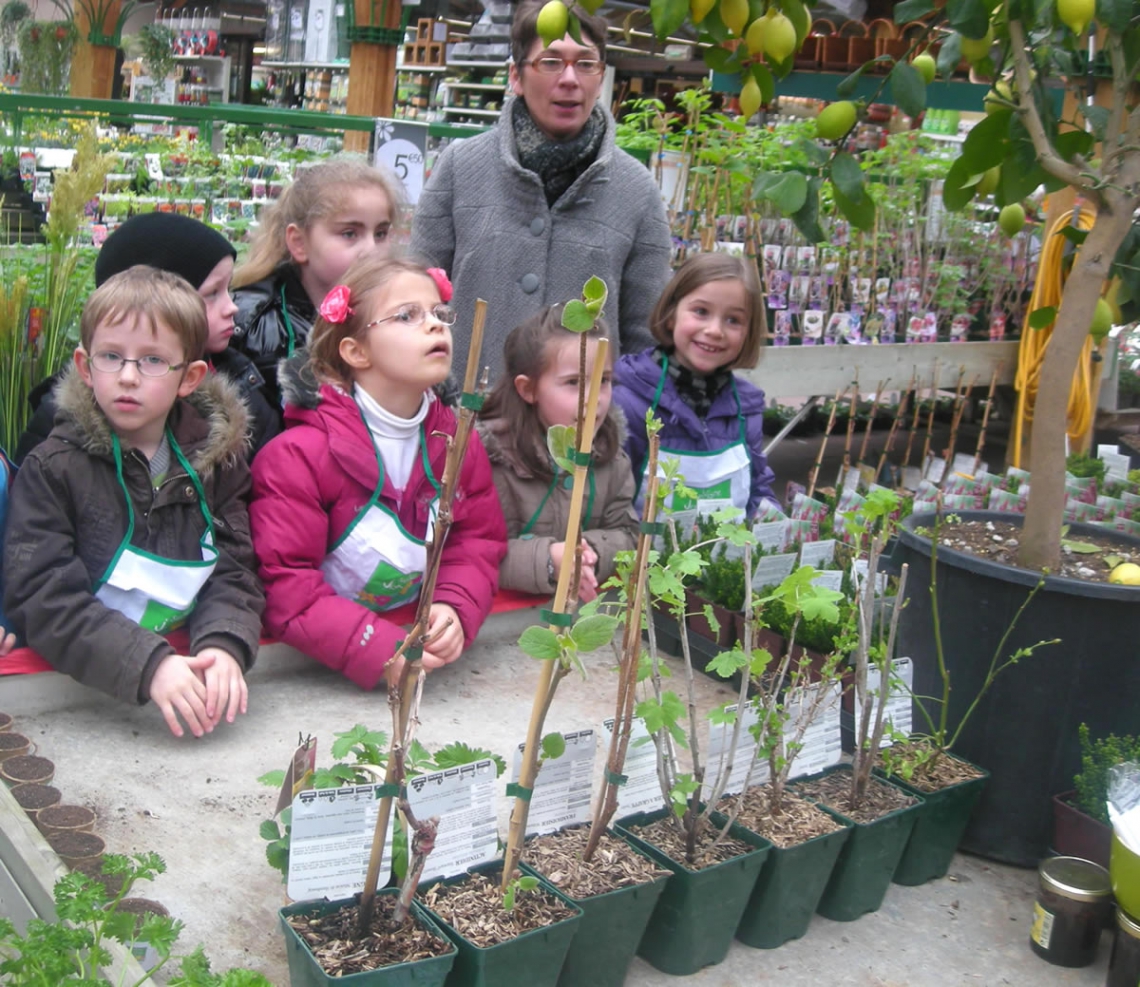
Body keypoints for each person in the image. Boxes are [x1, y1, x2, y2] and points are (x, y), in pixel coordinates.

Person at [3, 267, 264, 738]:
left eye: (152, 361)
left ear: (191, 377)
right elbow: (42, 597)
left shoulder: (217, 463)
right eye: (111, 356)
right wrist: (150, 664)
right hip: (78, 701)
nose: (127, 376)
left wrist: (225, 643)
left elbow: (235, 570)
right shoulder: (53, 469)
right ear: (85, 367)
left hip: (190, 665)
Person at [249, 257, 506, 689]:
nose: (434, 326)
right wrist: (375, 648)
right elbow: (287, 583)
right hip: (313, 676)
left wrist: (455, 606)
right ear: (355, 351)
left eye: (439, 314)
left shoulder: (460, 443)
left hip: (415, 643)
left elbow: (476, 540)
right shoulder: (298, 456)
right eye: (407, 316)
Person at [409, 0, 672, 384]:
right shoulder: (461, 167)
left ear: (600, 77)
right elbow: (417, 296)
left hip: (578, 431)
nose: (570, 79)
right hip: (464, 420)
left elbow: (646, 337)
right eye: (550, 62)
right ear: (516, 76)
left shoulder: (636, 190)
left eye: (586, 64)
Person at [14, 212, 279, 464]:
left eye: (228, 289)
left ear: (191, 378)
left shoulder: (243, 389)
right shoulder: (63, 419)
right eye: (212, 293)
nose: (231, 307)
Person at [478, 306, 638, 602]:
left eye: (603, 381)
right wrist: (551, 560)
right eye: (574, 382)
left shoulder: (610, 457)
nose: (594, 399)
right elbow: (476, 551)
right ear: (528, 389)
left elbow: (628, 534)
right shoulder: (492, 458)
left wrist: (588, 553)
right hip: (503, 619)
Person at [230, 156, 402, 414]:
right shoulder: (253, 323)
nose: (370, 250)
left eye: (380, 233)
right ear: (299, 242)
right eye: (349, 234)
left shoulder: (399, 316)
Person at [613, 252, 778, 519]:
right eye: (701, 312)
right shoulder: (628, 401)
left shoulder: (745, 408)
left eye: (733, 320)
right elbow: (607, 502)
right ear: (670, 315)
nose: (715, 330)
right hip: (641, 558)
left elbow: (756, 486)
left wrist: (773, 523)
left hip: (725, 557)